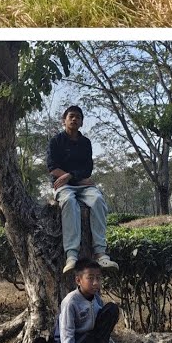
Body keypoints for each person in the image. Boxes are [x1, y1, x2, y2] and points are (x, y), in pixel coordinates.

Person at [48, 105, 117, 273]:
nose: (74, 119)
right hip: (64, 187)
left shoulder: (86, 143)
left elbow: (88, 169)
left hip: (81, 185)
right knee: (69, 202)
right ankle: (71, 256)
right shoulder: (55, 141)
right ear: (64, 120)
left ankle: (101, 254)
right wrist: (71, 178)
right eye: (71, 116)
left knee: (98, 200)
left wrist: (71, 176)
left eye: (78, 117)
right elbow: (52, 168)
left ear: (81, 122)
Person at [57, 259, 120, 343]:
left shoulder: (97, 300)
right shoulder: (71, 302)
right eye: (90, 278)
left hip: (91, 342)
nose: (96, 283)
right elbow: (67, 338)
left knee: (111, 309)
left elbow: (104, 333)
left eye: (98, 278)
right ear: (78, 280)